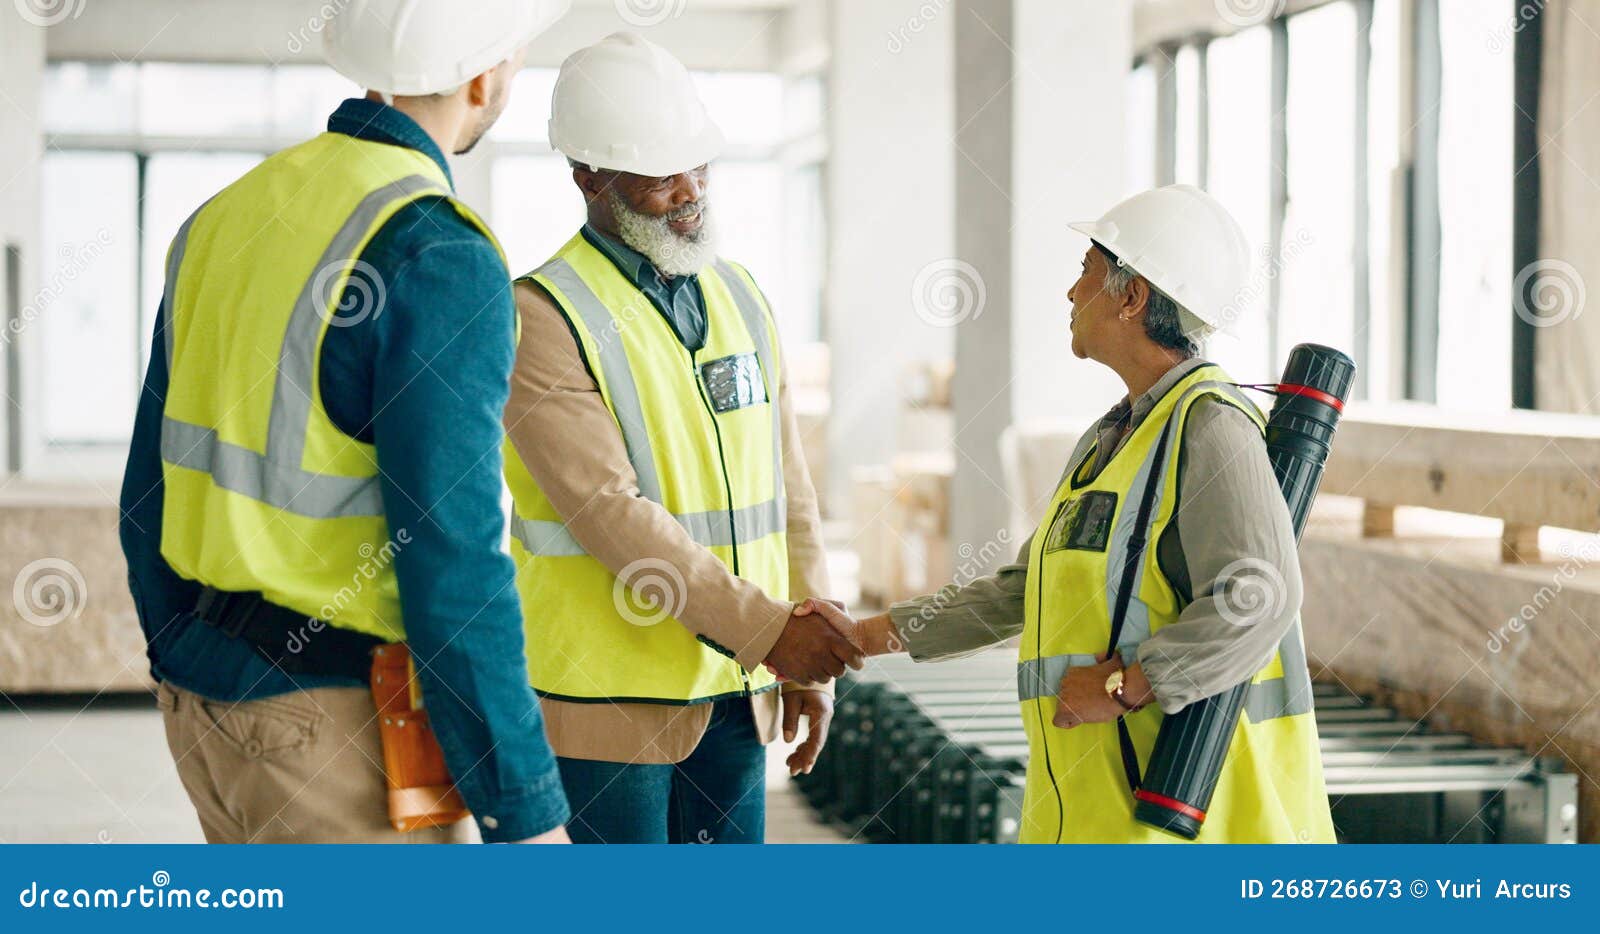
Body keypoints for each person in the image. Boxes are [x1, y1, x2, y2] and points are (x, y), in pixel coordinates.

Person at [117, 0, 574, 843]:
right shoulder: (436, 252)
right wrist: (525, 806)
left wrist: (181, 657)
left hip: (206, 706)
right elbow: (454, 555)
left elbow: (145, 489)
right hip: (332, 729)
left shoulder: (225, 214)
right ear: (486, 76)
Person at [802, 185, 1336, 844]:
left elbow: (1260, 594)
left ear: (1131, 295)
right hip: (1088, 813)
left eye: (1085, 271)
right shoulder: (1115, 437)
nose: (1070, 293)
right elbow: (1025, 591)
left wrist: (1124, 685)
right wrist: (864, 636)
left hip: (1190, 824)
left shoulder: (1211, 427)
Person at [500, 32, 860, 845]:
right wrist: (771, 632)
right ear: (587, 176)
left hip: (735, 691)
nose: (691, 191)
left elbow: (790, 488)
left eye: (698, 164)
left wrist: (811, 632)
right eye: (662, 173)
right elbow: (605, 512)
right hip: (609, 708)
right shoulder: (541, 316)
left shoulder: (739, 293)